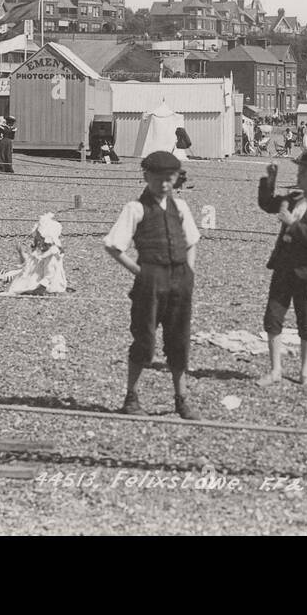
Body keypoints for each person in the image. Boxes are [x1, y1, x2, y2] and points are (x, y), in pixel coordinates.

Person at [103, 151, 201, 420]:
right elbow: (113, 245)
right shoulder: (135, 208)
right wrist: (140, 271)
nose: (165, 184)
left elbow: (192, 240)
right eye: (159, 179)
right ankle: (131, 397)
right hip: (150, 281)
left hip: (180, 280)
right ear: (146, 177)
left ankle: (181, 398)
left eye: (170, 179)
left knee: (179, 340)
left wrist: (189, 270)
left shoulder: (180, 207)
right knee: (144, 339)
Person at [256, 151, 307, 387]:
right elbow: (267, 204)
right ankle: (275, 371)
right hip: (283, 268)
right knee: (273, 318)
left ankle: (305, 372)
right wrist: (270, 180)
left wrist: (293, 225)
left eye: (303, 172)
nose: (298, 175)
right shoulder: (294, 198)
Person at [9, 213, 68, 295]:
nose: (36, 237)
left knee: (22, 284)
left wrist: (41, 287)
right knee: (15, 275)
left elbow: (50, 273)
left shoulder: (52, 253)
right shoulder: (39, 249)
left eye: (39, 235)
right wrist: (21, 252)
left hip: (47, 282)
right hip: (36, 276)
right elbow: (28, 265)